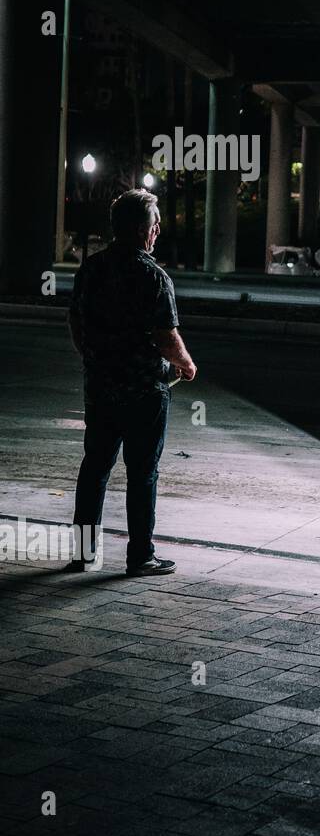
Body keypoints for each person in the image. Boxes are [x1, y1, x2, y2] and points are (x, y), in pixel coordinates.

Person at [64, 189, 197, 575]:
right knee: (142, 474)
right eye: (155, 225)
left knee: (95, 468)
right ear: (142, 229)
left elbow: (75, 321)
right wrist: (186, 364)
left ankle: (84, 554)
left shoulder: (92, 268)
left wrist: (91, 356)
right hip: (144, 392)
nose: (158, 231)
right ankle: (140, 556)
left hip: (101, 387)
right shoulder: (152, 275)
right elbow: (165, 335)